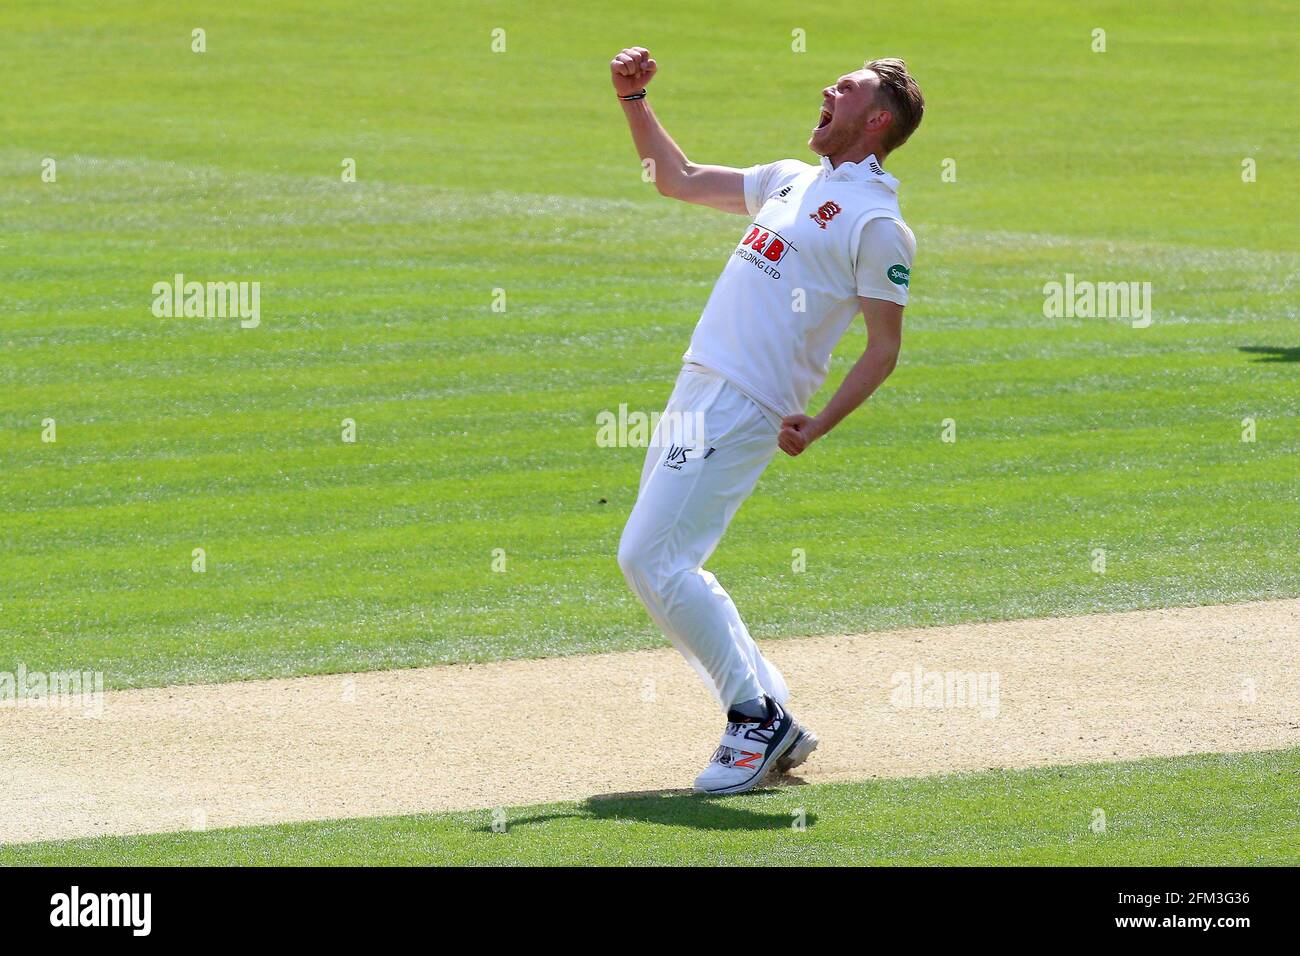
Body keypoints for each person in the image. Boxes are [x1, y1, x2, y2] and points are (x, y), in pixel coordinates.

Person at [611, 46, 924, 794]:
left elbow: (884, 350)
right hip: (699, 385)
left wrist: (819, 423)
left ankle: (753, 718)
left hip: (745, 402)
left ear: (876, 120)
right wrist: (635, 100)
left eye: (844, 89)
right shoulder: (792, 179)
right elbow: (678, 182)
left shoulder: (879, 225)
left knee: (651, 558)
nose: (827, 88)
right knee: (660, 561)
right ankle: (773, 713)